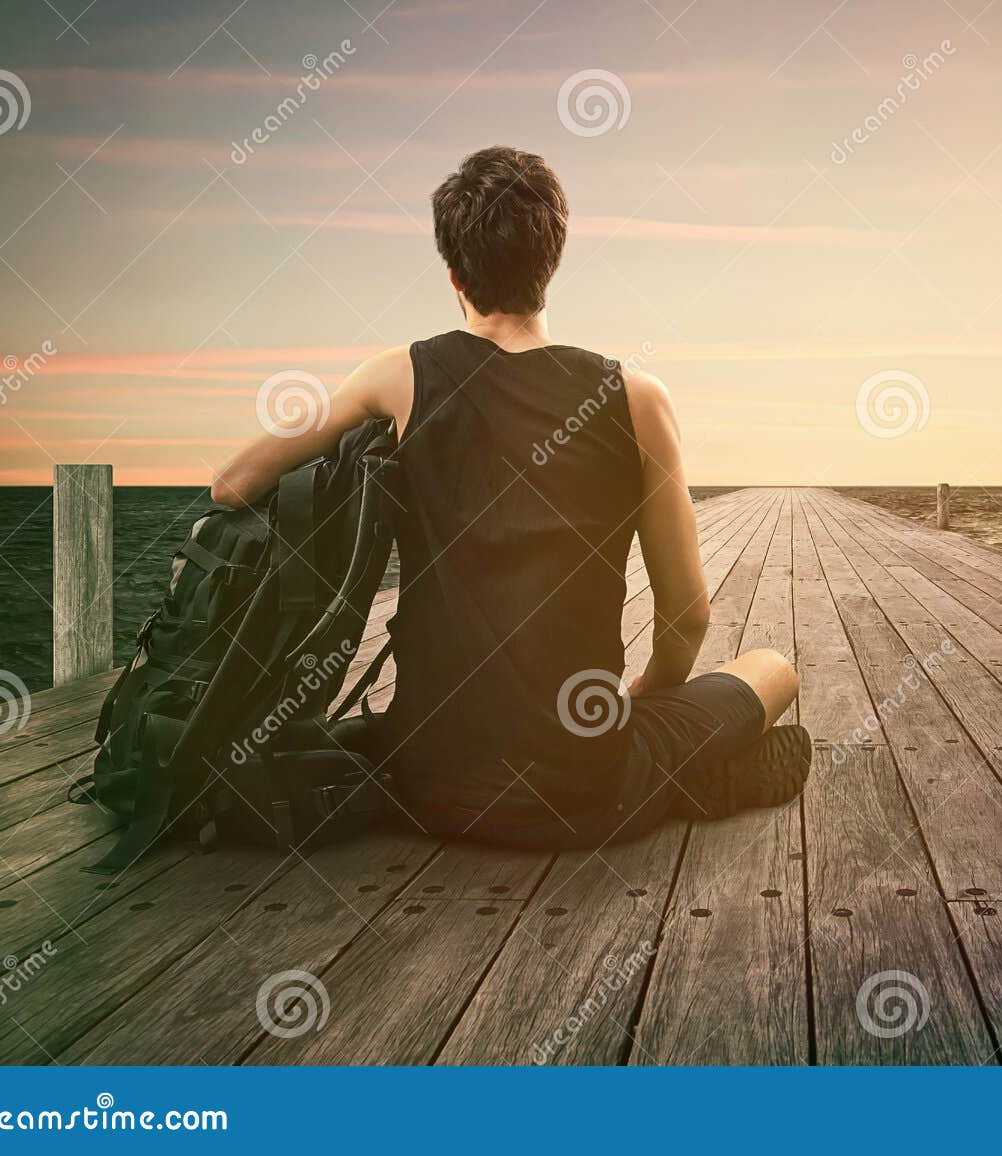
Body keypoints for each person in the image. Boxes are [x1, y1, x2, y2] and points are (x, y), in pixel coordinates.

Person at [211, 146, 810, 848]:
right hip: (584, 788)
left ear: (454, 274)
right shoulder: (637, 399)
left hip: (424, 782)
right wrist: (640, 703)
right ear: (551, 262)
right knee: (776, 671)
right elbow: (687, 617)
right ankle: (692, 777)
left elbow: (232, 483)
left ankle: (676, 777)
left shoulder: (400, 375)